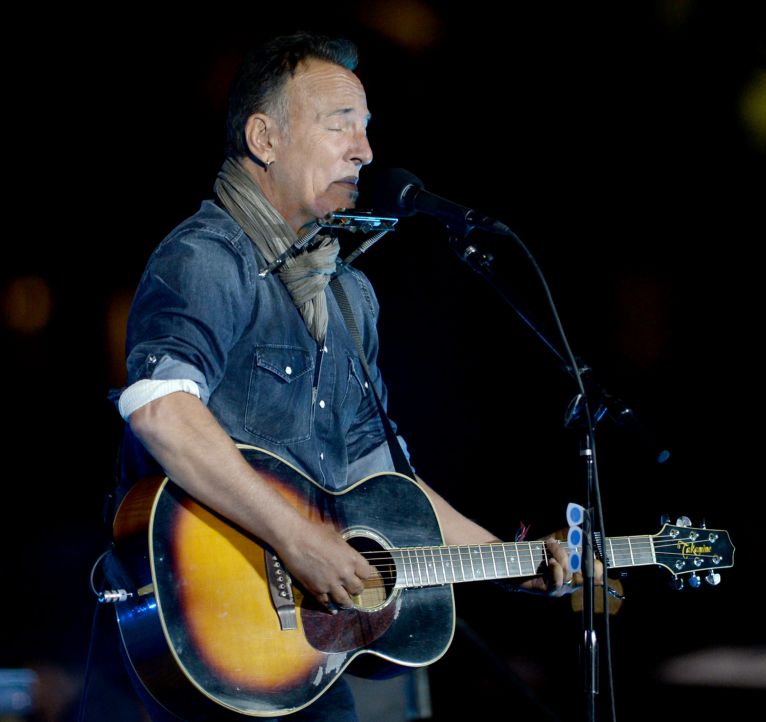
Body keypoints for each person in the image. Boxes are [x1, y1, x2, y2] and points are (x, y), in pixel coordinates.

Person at [112, 31, 584, 722]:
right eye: (341, 125)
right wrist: (300, 540)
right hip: (201, 649)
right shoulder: (208, 258)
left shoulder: (348, 294)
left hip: (307, 664)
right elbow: (159, 408)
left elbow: (387, 480)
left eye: (367, 129)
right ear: (264, 138)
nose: (364, 150)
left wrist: (508, 559)